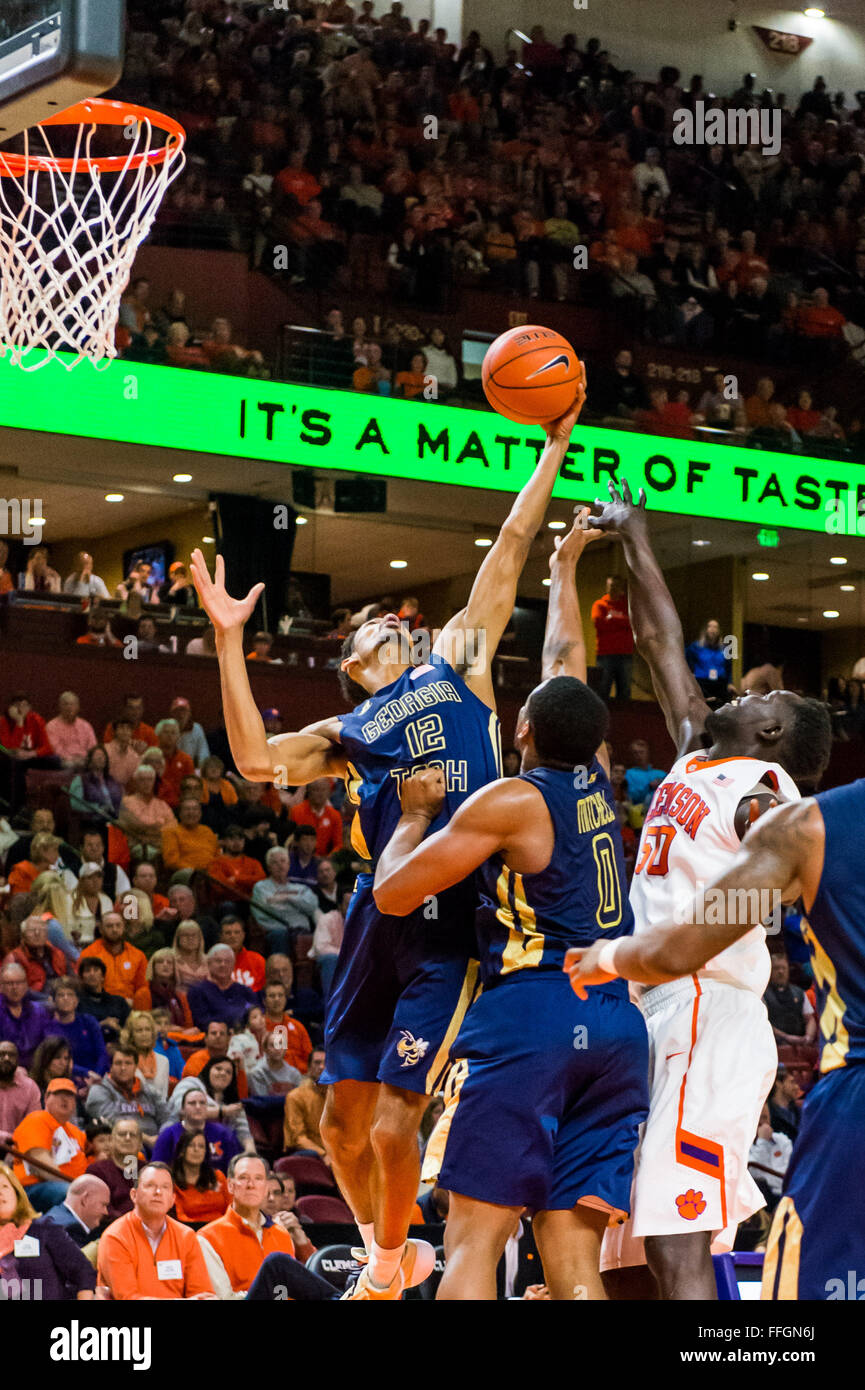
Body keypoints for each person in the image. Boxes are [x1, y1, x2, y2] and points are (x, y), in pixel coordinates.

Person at [189, 378, 589, 1290]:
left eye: (395, 619)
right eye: (376, 626)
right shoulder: (347, 734)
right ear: (354, 670)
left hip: (453, 916)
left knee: (387, 1126)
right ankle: (392, 1255)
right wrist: (226, 642)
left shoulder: (458, 661)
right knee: (335, 1125)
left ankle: (382, 1274)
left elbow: (512, 547)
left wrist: (552, 447)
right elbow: (253, 760)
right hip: (380, 913)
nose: (394, 623)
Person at [372, 517, 648, 1300]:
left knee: (472, 1243)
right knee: (571, 1264)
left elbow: (396, 893)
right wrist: (563, 570)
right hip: (615, 1028)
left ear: (521, 729)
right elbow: (567, 665)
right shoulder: (597, 776)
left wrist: (415, 815)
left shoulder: (511, 799)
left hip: (532, 1017)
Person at [572, 478, 832, 1301]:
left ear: (773, 734)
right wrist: (634, 536)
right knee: (625, 1245)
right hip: (654, 1003)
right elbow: (659, 643)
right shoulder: (699, 755)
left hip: (703, 1003)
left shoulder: (766, 788)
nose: (742, 691)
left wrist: (672, 949)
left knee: (673, 1231)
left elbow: (774, 888)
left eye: (763, 697)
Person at [567, 774, 864, 1300]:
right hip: (663, 1017)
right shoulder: (713, 777)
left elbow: (676, 951)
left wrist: (605, 957)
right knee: (637, 1245)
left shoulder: (809, 824)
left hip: (842, 1089)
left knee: (694, 1246)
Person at [97, 1160, 216, 1300]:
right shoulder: (116, 1236)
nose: (158, 1192)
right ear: (133, 1195)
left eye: (165, 1187)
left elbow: (202, 1294)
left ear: (172, 1200)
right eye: (150, 1186)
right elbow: (128, 1297)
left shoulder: (186, 1236)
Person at [197, 1152, 299, 1298]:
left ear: (265, 1188)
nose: (251, 1185)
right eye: (244, 1178)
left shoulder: (282, 1235)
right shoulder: (207, 1238)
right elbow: (223, 1298)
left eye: (258, 1178)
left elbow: (292, 1291)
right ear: (231, 1186)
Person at [0, 1160, 96, 1300]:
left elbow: (83, 1272)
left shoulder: (42, 1228)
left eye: (4, 1187)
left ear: (17, 1193)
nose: (0, 1193)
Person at [11, 1077, 89, 1212]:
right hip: (35, 1188)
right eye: (59, 1094)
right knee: (68, 1193)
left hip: (72, 1189)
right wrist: (79, 1189)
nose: (65, 1099)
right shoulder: (37, 1119)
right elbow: (40, 1163)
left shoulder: (75, 1131)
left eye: (70, 1096)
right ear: (46, 1098)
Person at [84, 1045, 168, 1145]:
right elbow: (113, 1123)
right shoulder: (99, 1091)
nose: (123, 1068)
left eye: (128, 1063)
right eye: (118, 1063)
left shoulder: (149, 1091)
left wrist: (163, 1137)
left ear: (135, 1066)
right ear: (110, 1066)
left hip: (156, 1142)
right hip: (122, 1142)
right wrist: (147, 1139)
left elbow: (167, 1117)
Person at [152, 1086, 241, 1174]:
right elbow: (156, 1170)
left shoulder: (223, 1134)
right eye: (192, 1103)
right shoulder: (168, 1135)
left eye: (202, 1103)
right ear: (182, 1109)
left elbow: (234, 1171)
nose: (198, 1107)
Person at [251, 846, 318, 953]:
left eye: (283, 861)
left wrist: (288, 897)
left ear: (288, 864)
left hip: (301, 931)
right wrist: (298, 906)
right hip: (275, 931)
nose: (280, 866)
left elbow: (312, 906)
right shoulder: (261, 887)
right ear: (268, 867)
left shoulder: (300, 888)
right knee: (281, 934)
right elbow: (267, 909)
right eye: (275, 863)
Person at [77, 912, 147, 1003]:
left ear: (124, 927)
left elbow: (142, 986)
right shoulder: (89, 954)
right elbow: (83, 986)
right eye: (109, 926)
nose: (115, 929)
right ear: (101, 929)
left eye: (118, 925)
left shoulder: (138, 955)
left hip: (129, 1005)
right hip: (100, 1005)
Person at [48, 976, 108, 1078]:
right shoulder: (49, 1029)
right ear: (54, 1001)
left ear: (76, 1001)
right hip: (64, 1078)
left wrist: (97, 1075)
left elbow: (102, 1054)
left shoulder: (89, 1022)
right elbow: (57, 1063)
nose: (66, 998)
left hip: (96, 1077)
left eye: (70, 995)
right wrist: (86, 1073)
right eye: (61, 995)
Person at [187, 945, 258, 1031]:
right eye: (218, 961)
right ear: (208, 964)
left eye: (227, 961)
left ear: (233, 965)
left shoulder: (244, 990)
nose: (223, 965)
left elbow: (257, 1014)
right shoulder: (198, 991)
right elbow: (202, 1022)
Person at [87, 1115, 142, 1219]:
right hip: (114, 1229)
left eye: (133, 1135)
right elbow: (101, 1211)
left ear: (140, 1143)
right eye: (122, 1134)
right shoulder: (97, 1171)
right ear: (111, 1140)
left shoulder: (148, 1171)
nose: (127, 1138)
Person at [0, 960, 54, 1068]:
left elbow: (48, 1045)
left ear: (26, 985)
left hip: (37, 1069)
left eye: (19, 982)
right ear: (1, 986)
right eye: (9, 983)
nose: (15, 987)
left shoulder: (39, 1011)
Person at [171, 1130, 230, 1226]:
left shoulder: (218, 1176)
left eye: (201, 1146)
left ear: (205, 1152)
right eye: (191, 1145)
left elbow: (232, 1208)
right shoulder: (172, 1181)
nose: (196, 1149)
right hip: (191, 1232)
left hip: (222, 1231)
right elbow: (179, 1218)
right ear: (181, 1151)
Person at [119, 764, 176, 860]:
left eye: (150, 779)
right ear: (136, 782)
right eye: (142, 780)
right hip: (137, 845)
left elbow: (172, 828)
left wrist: (148, 833)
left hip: (160, 844)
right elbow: (134, 826)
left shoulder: (162, 805)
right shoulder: (126, 802)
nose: (146, 783)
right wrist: (155, 827)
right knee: (152, 853)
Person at [591, 575, 634, 701]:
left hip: (625, 654)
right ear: (607, 587)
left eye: (616, 586)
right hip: (605, 654)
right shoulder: (599, 605)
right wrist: (622, 622)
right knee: (602, 690)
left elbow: (633, 623)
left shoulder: (628, 605)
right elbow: (599, 624)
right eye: (611, 586)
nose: (613, 589)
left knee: (625, 691)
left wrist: (612, 620)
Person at [198, 1056, 254, 1152]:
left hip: (223, 1151)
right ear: (208, 1070)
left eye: (228, 1072)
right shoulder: (192, 1085)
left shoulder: (233, 1103)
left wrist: (251, 1152)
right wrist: (223, 1111)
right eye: (218, 1068)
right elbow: (186, 1110)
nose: (223, 1073)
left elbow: (243, 1131)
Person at [5, 914, 67, 1000]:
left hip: (62, 996)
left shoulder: (57, 953)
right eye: (31, 930)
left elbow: (70, 977)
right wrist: (46, 998)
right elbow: (13, 989)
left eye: (41, 929)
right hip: (33, 1002)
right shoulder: (14, 958)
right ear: (23, 936)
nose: (37, 933)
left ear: (47, 934)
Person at [43, 1172, 110, 1248]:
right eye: (103, 1205)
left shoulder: (56, 1216)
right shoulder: (70, 1229)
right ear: (85, 1199)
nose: (106, 1212)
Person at [764, 953, 817, 1047]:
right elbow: (762, 1022)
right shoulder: (762, 994)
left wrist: (808, 1037)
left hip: (800, 1046)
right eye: (776, 968)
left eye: (784, 968)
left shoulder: (799, 993)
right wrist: (785, 1037)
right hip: (773, 1046)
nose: (781, 971)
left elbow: (810, 1019)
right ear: (769, 970)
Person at [283, 1048, 328, 1159]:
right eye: (317, 1063)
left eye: (326, 1063)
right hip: (305, 1153)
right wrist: (324, 1154)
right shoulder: (295, 1096)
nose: (322, 1067)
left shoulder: (337, 1096)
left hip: (332, 1152)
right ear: (309, 1068)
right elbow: (298, 1138)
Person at [747, 1104, 792, 1212]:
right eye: (759, 1117)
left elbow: (790, 1171)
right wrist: (763, 1141)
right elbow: (754, 1172)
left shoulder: (782, 1140)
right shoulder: (743, 1145)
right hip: (763, 1199)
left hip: (787, 1194)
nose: (763, 1123)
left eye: (765, 1117)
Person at [75, 955, 130, 1040]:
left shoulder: (119, 1002)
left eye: (96, 970)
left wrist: (119, 1030)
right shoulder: (76, 1003)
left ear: (103, 977)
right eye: (87, 971)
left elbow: (131, 1028)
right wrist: (102, 1024)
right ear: (82, 978)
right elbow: (77, 1032)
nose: (92, 974)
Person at [262, 981, 312, 1073]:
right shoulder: (260, 1027)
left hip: (300, 1077)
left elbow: (310, 1058)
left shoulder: (297, 1026)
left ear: (285, 999)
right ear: (264, 1001)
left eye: (280, 995)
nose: (277, 999)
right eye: (272, 996)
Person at [161, 796, 220, 872]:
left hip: (210, 873)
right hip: (187, 874)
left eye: (195, 809)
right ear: (180, 813)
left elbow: (217, 856)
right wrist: (195, 870)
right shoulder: (171, 832)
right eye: (187, 809)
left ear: (200, 813)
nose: (191, 812)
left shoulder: (207, 831)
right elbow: (171, 862)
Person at [122, 1011, 171, 1101]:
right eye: (139, 1030)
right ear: (131, 1035)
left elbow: (163, 1098)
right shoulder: (124, 1061)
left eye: (147, 1029)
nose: (144, 1034)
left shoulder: (163, 1061)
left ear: (153, 1033)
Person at [210, 827, 266, 901]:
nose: (237, 842)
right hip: (226, 902)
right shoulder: (216, 863)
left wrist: (237, 879)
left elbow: (261, 880)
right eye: (232, 839)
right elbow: (220, 886)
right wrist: (248, 884)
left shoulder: (253, 862)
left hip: (251, 902)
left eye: (240, 839)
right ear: (224, 841)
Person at [0, 1040, 41, 1140]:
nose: (7, 1058)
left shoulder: (30, 1088)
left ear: (18, 1060)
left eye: (11, 1055)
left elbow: (33, 1125)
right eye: (2, 1054)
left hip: (18, 1148)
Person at [45, 691, 96, 770]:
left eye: (72, 704)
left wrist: (85, 759)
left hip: (85, 762)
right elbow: (55, 750)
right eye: (66, 704)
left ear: (78, 707)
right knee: (68, 764)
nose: (69, 707)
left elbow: (93, 747)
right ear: (60, 707)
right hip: (64, 763)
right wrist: (72, 760)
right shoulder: (51, 726)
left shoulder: (85, 725)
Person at [248, 1031, 302, 1097]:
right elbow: (261, 1102)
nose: (277, 1049)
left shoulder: (294, 1074)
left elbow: (298, 1101)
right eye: (273, 1045)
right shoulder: (257, 1073)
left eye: (280, 1044)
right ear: (265, 1049)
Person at [219, 916, 265, 992]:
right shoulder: (213, 962)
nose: (232, 936)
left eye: (237, 932)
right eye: (228, 933)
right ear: (221, 937)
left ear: (243, 935)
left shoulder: (258, 961)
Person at [624, 739, 667, 812]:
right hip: (640, 813)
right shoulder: (628, 774)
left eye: (641, 752)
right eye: (635, 753)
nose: (638, 755)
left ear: (647, 753)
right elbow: (631, 796)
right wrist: (649, 786)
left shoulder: (661, 774)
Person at [767, 1065, 803, 1141]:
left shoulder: (800, 1113)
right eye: (792, 1082)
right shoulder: (768, 1115)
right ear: (778, 1084)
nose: (797, 1087)